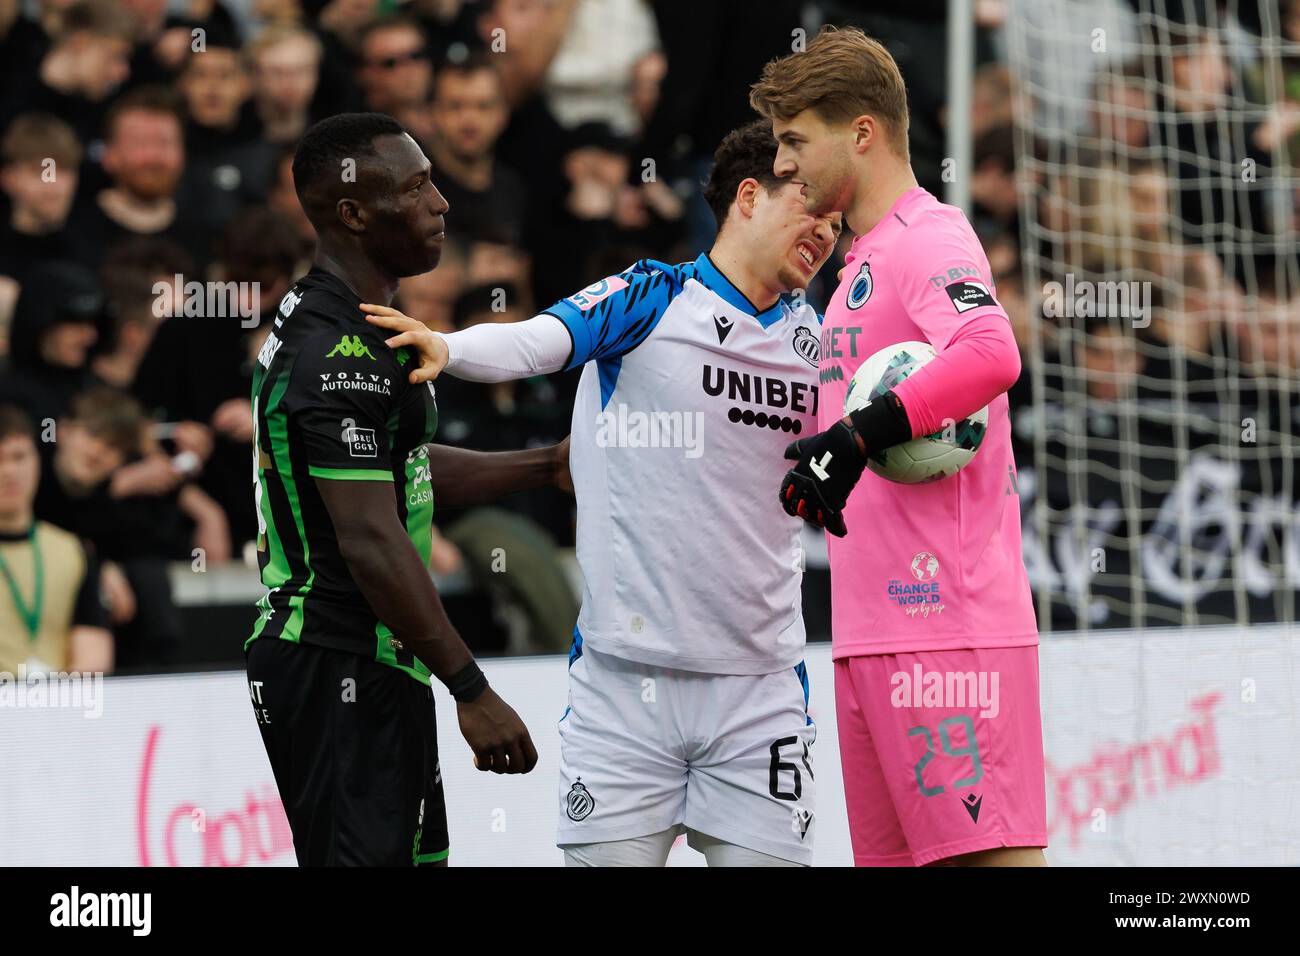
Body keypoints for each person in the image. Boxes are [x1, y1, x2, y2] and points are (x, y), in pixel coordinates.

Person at [364, 118, 841, 867]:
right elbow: (535, 341)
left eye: (839, 224)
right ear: (750, 196)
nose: (827, 234)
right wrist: (448, 347)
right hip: (625, 691)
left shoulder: (823, 341)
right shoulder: (652, 296)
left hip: (762, 691)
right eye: (814, 209)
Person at [750, 25, 1046, 867]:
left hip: (949, 626)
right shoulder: (852, 270)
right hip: (866, 632)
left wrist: (856, 434)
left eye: (797, 141)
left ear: (864, 134)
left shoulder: (930, 236)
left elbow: (992, 356)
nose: (785, 165)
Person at [245, 112, 561, 867]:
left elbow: (403, 469)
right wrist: (471, 687)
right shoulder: (333, 353)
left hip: (377, 659)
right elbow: (369, 538)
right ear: (352, 212)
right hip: (332, 661)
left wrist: (546, 464)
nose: (441, 203)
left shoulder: (362, 321)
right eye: (417, 186)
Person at [0, 404, 112, 676]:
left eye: (19, 457)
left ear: (37, 461)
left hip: (57, 707)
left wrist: (56, 710)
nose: (9, 471)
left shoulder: (71, 550)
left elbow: (92, 654)